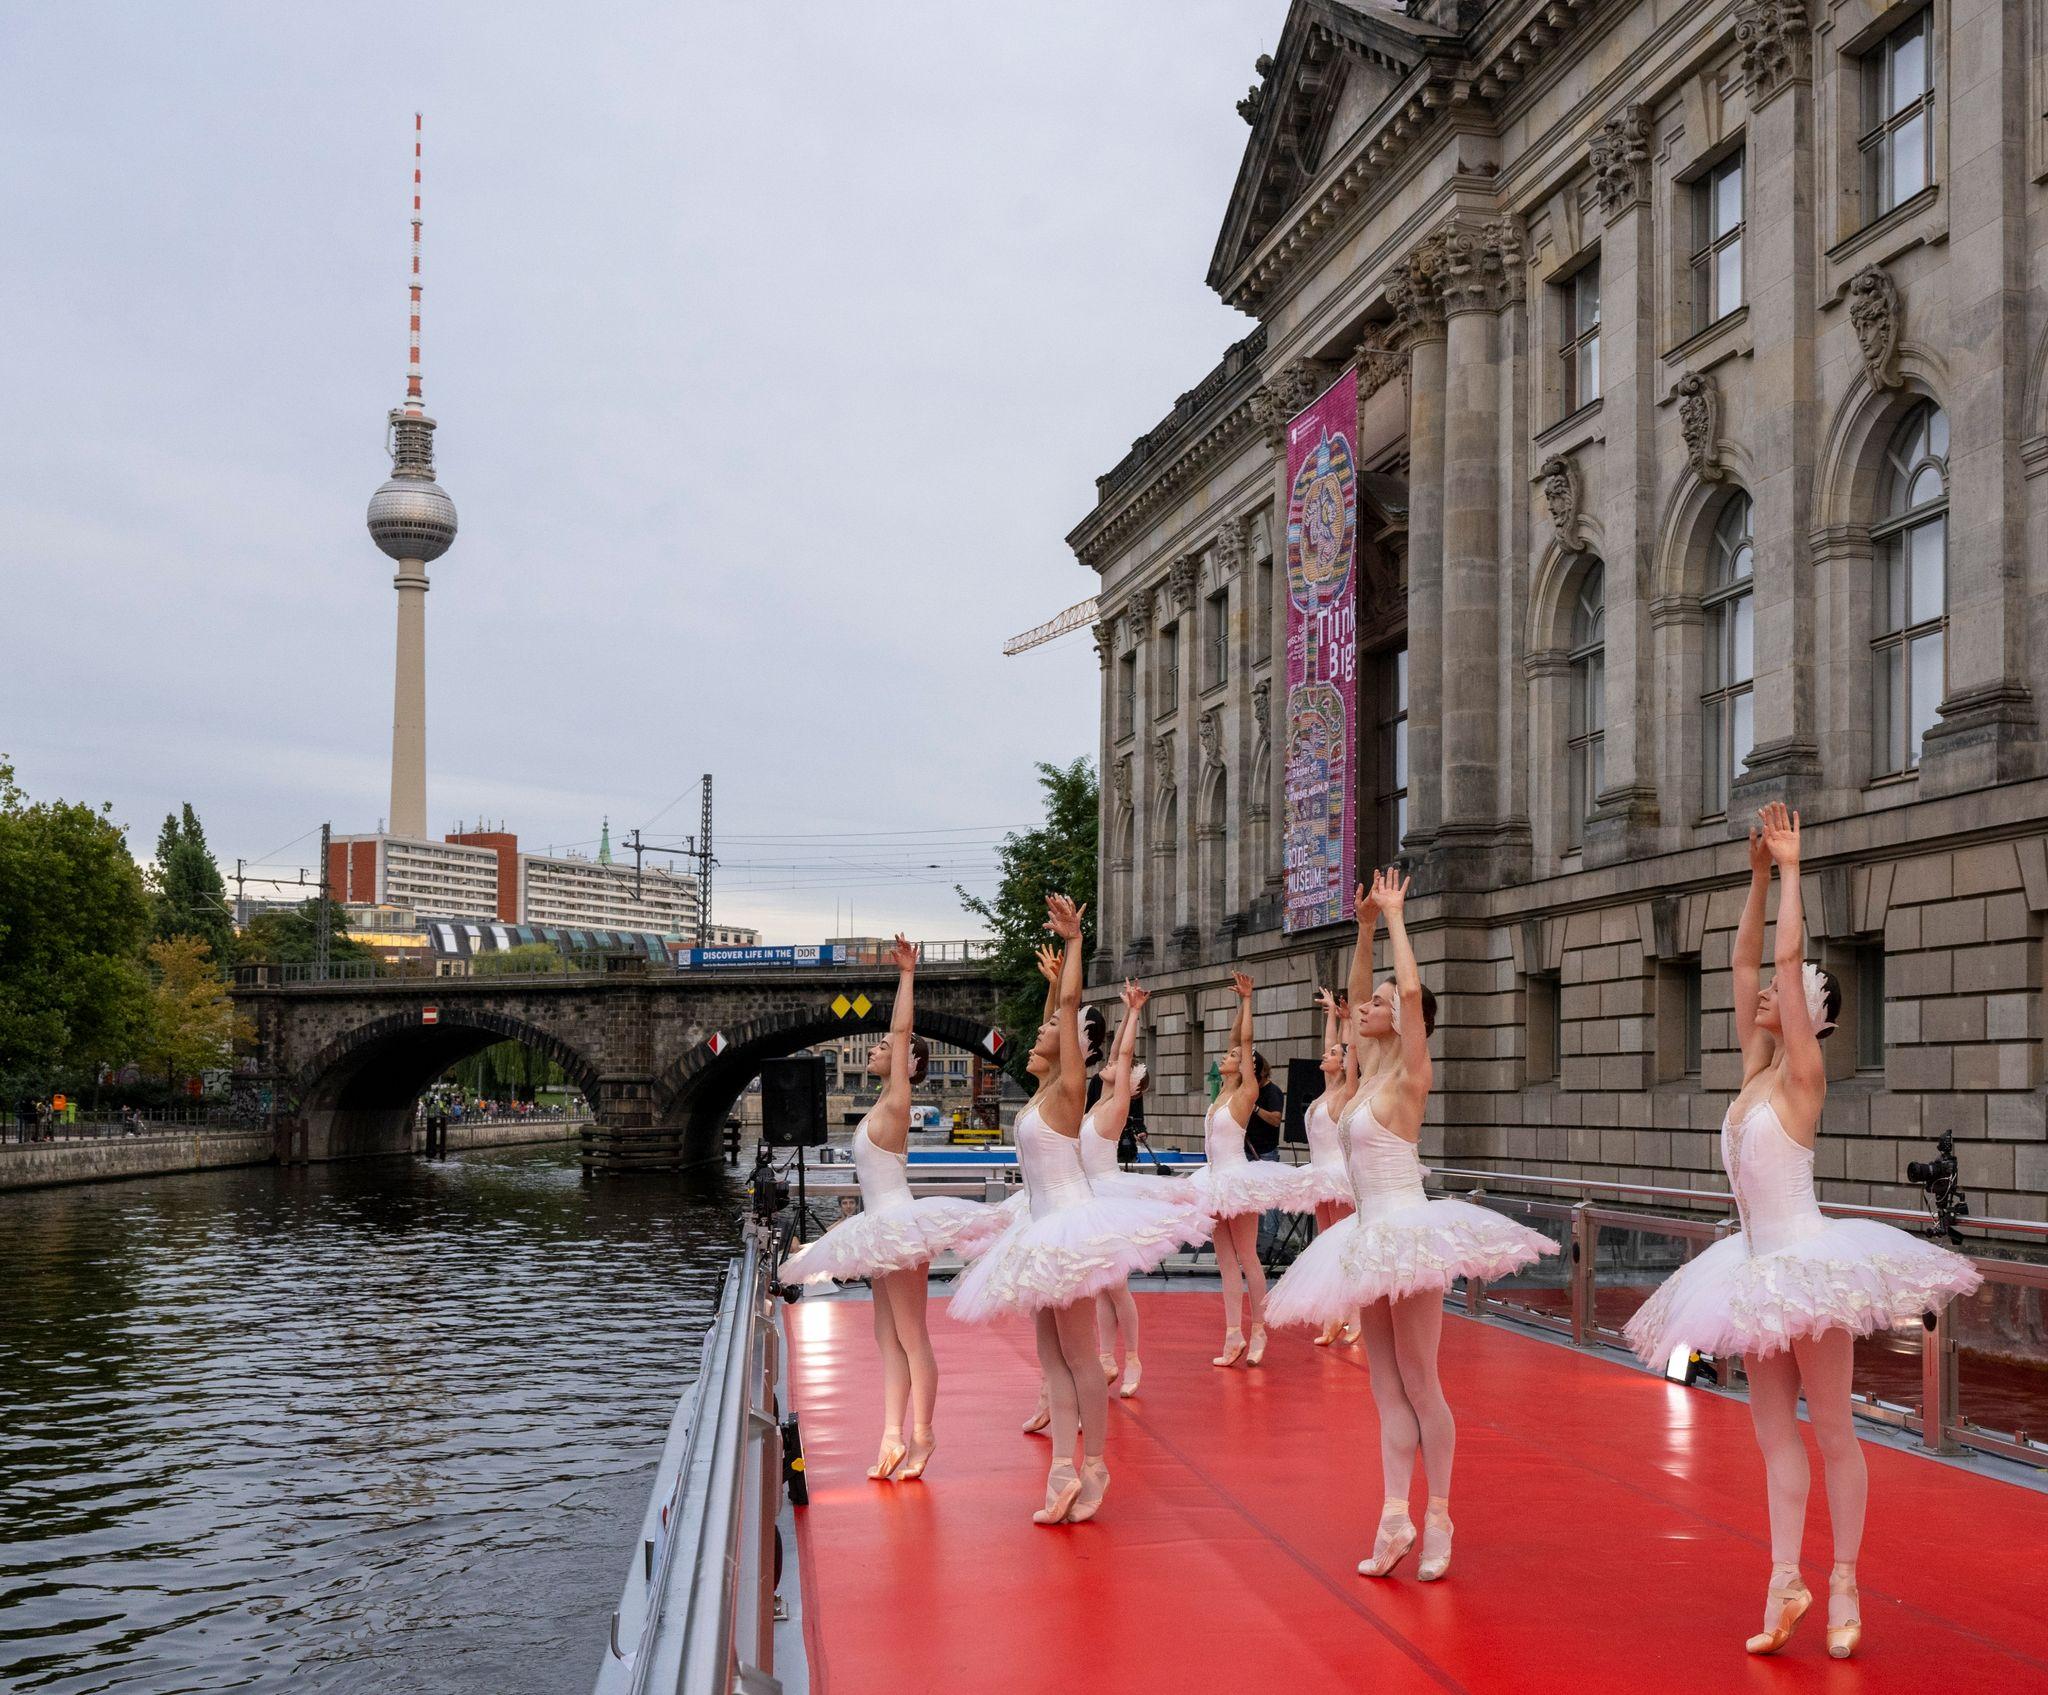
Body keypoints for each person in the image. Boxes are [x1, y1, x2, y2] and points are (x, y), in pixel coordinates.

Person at [1624, 806, 1981, 1659]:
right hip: (1752, 1268)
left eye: (1790, 996)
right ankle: (1785, 1578)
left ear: (1812, 1017)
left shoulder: (1804, 1076)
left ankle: (1846, 1580)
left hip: (1806, 1264)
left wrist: (1793, 867)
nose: (1768, 997)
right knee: (1771, 1435)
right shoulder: (1754, 1071)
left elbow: (1781, 959)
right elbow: (1750, 958)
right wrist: (1752, 877)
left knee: (1832, 1432)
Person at [1266, 869, 1557, 1582]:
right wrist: (1364, 925)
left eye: (1384, 1004)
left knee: (1422, 1382)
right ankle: (1394, 1514)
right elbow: (1366, 983)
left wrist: (1398, 919)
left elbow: (1410, 995)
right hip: (1369, 1239)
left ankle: (1440, 1516)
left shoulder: (1410, 1078)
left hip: (1408, 1233)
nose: (1368, 1005)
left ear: (1407, 1019)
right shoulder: (1365, 1076)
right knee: (1385, 1386)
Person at [951, 896, 1191, 1524]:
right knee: (1052, 1356)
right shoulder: (1037, 1100)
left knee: (1081, 1356)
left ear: (1067, 1052)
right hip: (1039, 1229)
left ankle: (1095, 1466)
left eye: (1045, 1034)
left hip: (1070, 1230)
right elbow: (1057, 1010)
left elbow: (1067, 1012)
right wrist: (1056, 980)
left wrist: (1077, 944)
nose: (1034, 1038)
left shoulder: (1068, 1090)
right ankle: (1061, 1465)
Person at [779, 934, 1006, 1483]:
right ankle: (890, 1436)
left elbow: (903, 1029)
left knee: (911, 1335)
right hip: (881, 1224)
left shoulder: (899, 1098)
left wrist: (907, 975)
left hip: (899, 1222)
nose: (878, 1049)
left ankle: (923, 1437)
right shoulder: (879, 1103)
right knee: (887, 1339)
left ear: (908, 1061)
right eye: (879, 1047)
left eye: (884, 1047)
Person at [1186, 971, 1298, 1368]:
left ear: (1246, 1066)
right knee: (1224, 1261)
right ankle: (1232, 1332)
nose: (1225, 1055)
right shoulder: (1221, 1095)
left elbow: (1244, 1042)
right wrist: (1238, 1007)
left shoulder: (1247, 1092)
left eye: (1232, 1056)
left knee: (1247, 1257)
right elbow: (1237, 1040)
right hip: (1214, 1180)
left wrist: (1249, 1002)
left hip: (1237, 1178)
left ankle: (1259, 1329)